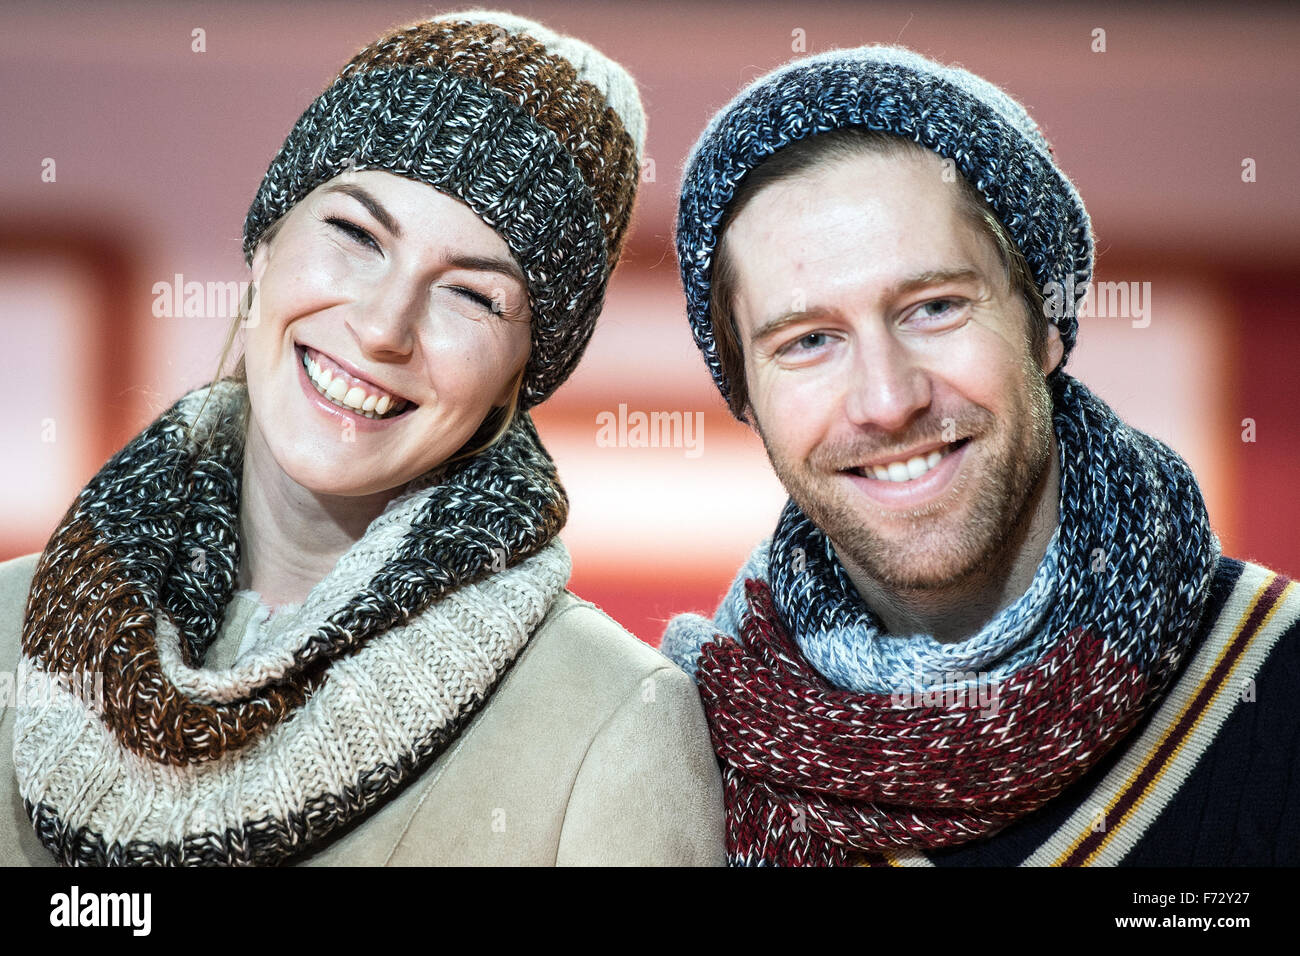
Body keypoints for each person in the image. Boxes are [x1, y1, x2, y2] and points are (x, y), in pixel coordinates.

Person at [0, 10, 724, 866]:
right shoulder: (9, 627)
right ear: (266, 241)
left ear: (525, 371)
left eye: (472, 295)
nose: (384, 327)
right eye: (355, 234)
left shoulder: (613, 725)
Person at [662, 45, 1300, 866]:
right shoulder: (693, 752)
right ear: (745, 395)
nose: (888, 400)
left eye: (934, 307)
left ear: (1045, 326)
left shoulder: (1273, 686)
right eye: (809, 340)